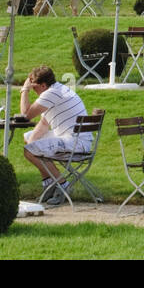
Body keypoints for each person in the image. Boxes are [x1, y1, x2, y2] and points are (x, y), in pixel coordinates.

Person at [21, 65, 92, 206]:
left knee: (29, 151)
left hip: (75, 143)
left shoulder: (51, 93)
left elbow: (25, 115)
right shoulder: (58, 90)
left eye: (34, 86)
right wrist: (32, 142)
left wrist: (24, 90)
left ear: (43, 85)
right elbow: (43, 123)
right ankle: (50, 184)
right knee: (30, 139)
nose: (32, 89)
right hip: (74, 138)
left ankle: (61, 183)